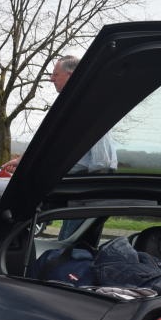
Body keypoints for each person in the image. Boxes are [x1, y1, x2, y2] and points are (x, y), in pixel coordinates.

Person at [50, 55, 116, 239]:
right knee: (69, 250)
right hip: (79, 194)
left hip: (87, 194)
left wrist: (90, 197)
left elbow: (102, 162)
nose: (51, 79)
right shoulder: (74, 105)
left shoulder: (86, 105)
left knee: (69, 250)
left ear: (71, 76)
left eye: (56, 74)